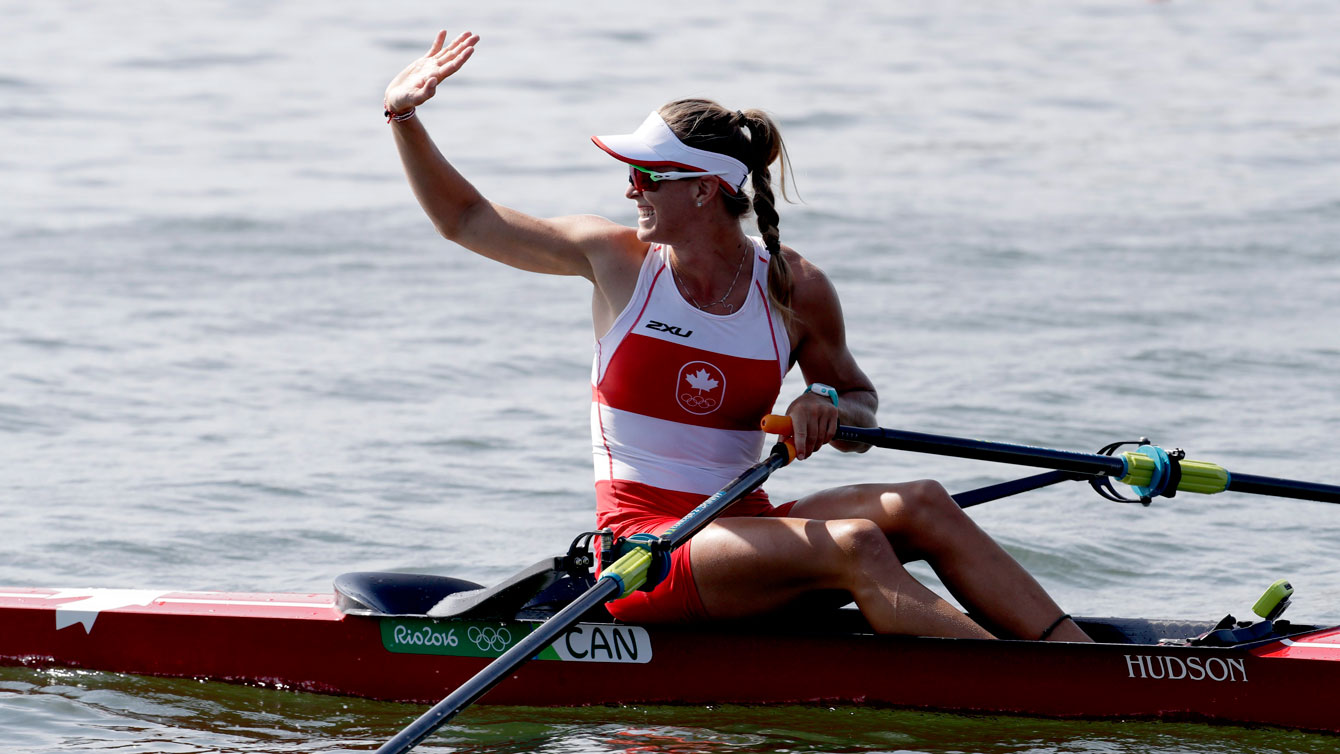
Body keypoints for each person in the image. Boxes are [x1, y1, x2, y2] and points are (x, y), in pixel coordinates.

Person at [384, 30, 1091, 642]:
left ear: (702, 188)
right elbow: (465, 220)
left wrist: (827, 404)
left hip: (742, 524)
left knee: (924, 502)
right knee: (857, 543)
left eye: (646, 174)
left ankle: (1085, 663)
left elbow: (860, 406)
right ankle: (1028, 687)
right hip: (644, 551)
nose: (630, 189)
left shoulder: (794, 288)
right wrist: (403, 117)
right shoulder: (614, 262)